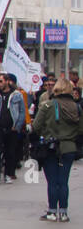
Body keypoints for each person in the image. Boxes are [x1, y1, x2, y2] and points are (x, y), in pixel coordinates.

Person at [32, 76, 81, 220]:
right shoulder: (76, 107)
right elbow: (81, 129)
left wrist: (45, 134)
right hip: (69, 146)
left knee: (52, 181)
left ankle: (52, 211)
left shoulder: (48, 105)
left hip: (51, 146)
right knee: (63, 181)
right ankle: (64, 212)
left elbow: (36, 126)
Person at [0, 71, 26, 183]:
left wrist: (17, 125)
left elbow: (22, 112)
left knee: (10, 152)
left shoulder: (17, 94)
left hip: (11, 128)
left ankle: (8, 174)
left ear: (7, 81)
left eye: (1, 81)